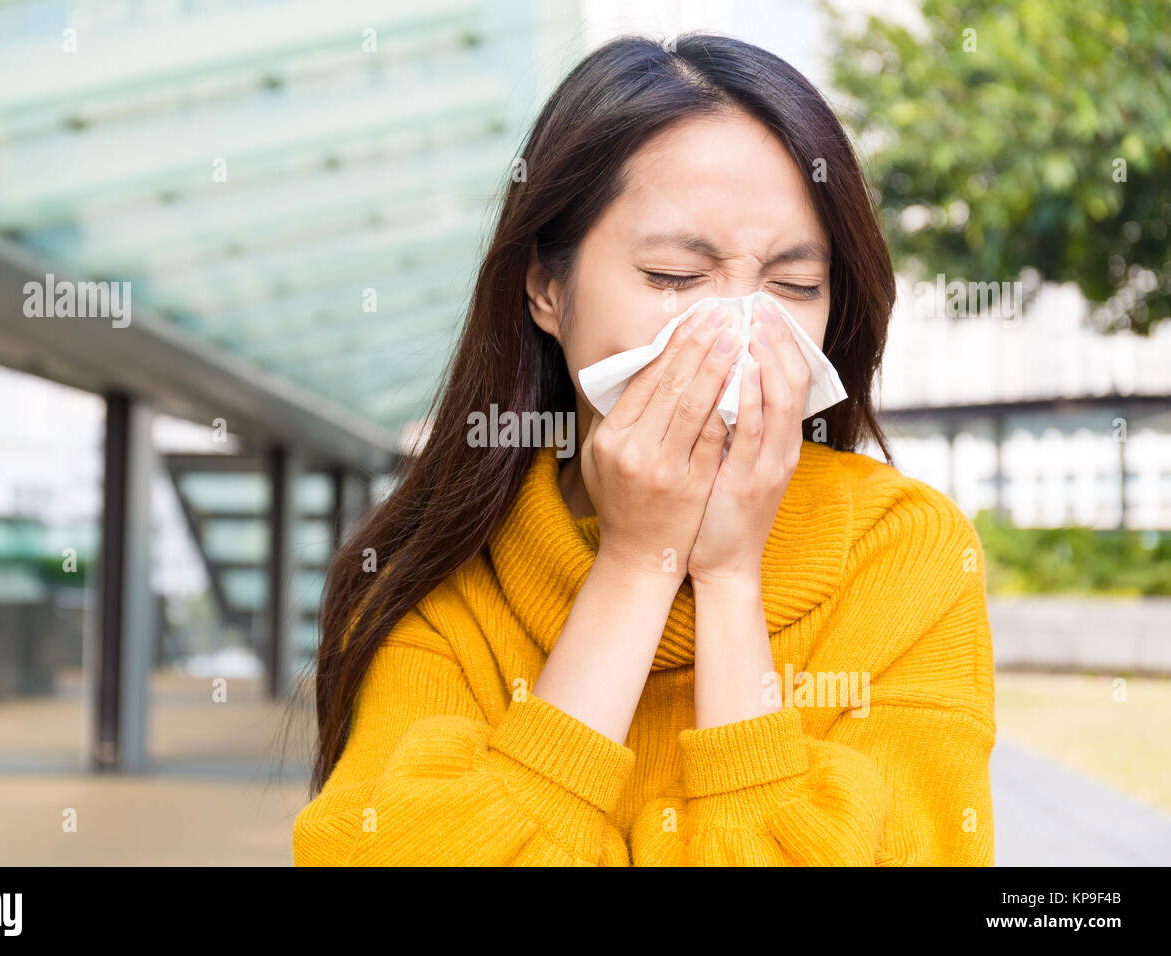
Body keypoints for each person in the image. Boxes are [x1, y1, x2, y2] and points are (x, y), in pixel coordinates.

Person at [289, 32, 996, 866]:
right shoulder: (441, 579)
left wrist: (729, 582)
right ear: (547, 288)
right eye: (672, 276)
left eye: (794, 286)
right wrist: (636, 563)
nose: (738, 332)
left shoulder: (904, 552)